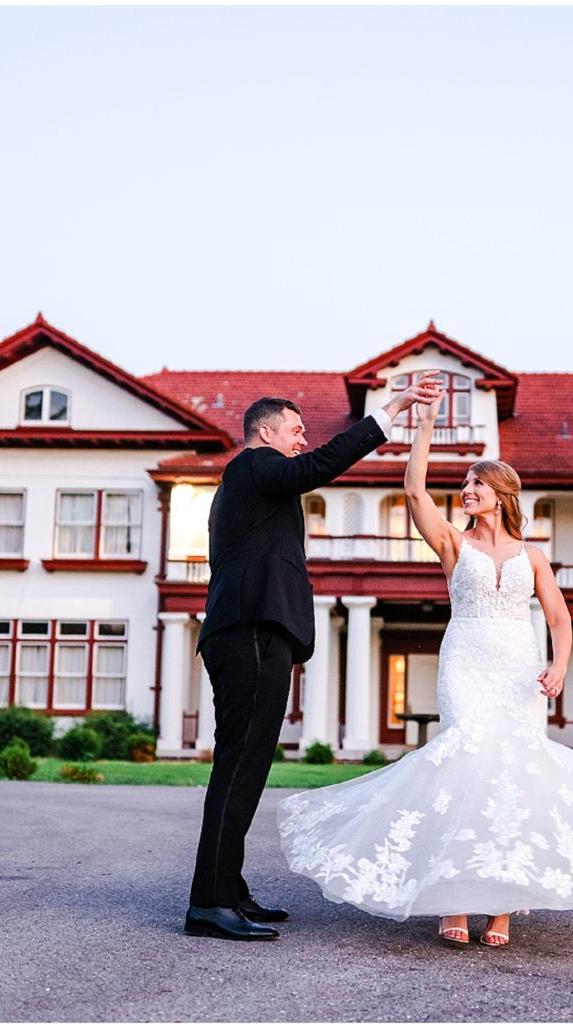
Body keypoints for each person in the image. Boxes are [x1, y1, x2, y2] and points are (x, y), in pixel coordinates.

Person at [277, 386, 573, 947]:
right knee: (463, 769)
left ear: (502, 494)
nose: (466, 491)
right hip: (465, 662)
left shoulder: (533, 557)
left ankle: (503, 903)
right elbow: (413, 492)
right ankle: (455, 896)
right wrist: (425, 425)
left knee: (513, 780)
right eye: (464, 485)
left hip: (518, 670)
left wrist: (557, 668)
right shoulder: (453, 545)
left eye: (476, 484)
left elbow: (559, 617)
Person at [185, 373, 443, 942]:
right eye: (295, 431)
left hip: (254, 632)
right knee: (238, 767)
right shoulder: (252, 465)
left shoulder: (257, 485)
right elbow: (313, 469)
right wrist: (391, 409)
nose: (302, 440)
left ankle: (228, 890)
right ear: (264, 432)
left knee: (247, 767)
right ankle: (208, 902)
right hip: (249, 631)